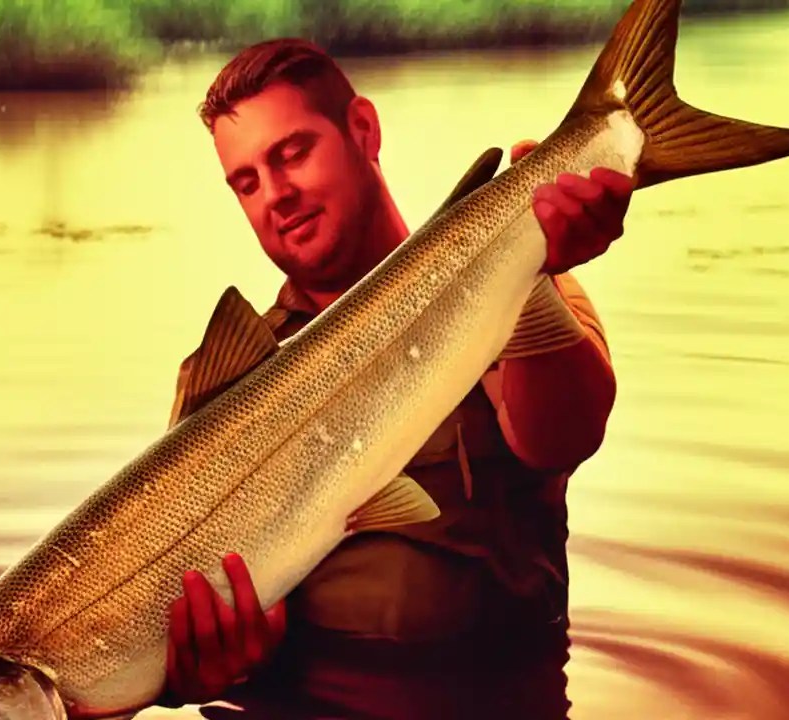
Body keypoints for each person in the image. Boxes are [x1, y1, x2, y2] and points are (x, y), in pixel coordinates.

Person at [155, 37, 633, 719]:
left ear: (363, 130)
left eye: (292, 154)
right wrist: (210, 668)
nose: (276, 196)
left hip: (498, 694)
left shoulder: (524, 281)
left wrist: (531, 259)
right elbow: (185, 617)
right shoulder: (221, 383)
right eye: (247, 181)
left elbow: (563, 437)